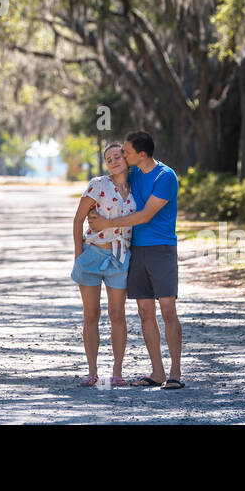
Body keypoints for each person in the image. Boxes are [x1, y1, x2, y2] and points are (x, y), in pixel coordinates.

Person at [87, 129, 183, 389]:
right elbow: (109, 186)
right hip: (135, 249)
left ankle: (175, 372)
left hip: (161, 248)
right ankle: (158, 372)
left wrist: (107, 223)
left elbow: (145, 216)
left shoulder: (166, 177)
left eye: (127, 152)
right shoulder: (134, 174)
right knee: (144, 312)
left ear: (141, 154)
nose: (123, 155)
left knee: (168, 310)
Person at [70, 143, 136, 388]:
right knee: (91, 315)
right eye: (108, 158)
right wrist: (79, 255)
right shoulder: (98, 184)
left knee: (117, 314)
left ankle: (117, 372)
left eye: (117, 156)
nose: (113, 160)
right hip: (93, 255)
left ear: (126, 158)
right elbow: (78, 219)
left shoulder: (136, 187)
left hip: (119, 257)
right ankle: (92, 372)